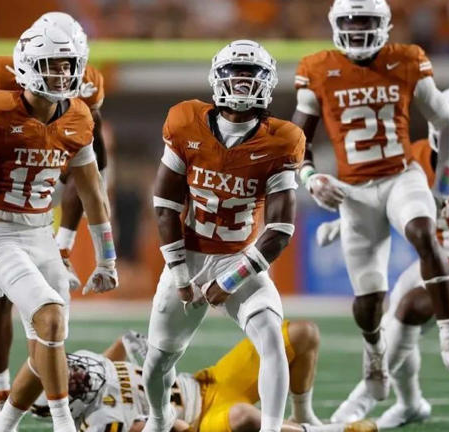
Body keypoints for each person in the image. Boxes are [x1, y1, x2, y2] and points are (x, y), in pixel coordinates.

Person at [291, 0, 449, 401]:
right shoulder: (318, 68)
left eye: (366, 21)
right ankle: (374, 353)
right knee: (369, 300)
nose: (358, 29)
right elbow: (295, 141)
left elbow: (446, 122)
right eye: (351, 21)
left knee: (423, 233)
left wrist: (443, 189)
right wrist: (310, 178)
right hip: (354, 192)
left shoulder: (406, 60)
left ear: (385, 25)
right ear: (336, 24)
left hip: (400, 177)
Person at [0, 23, 118, 432]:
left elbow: (93, 193)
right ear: (28, 65)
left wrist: (107, 259)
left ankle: (1, 427)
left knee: (47, 347)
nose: (62, 73)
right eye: (53, 64)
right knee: (49, 317)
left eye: (68, 64)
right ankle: (63, 425)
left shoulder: (78, 116)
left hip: (42, 235)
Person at [326, 86, 449, 428]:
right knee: (391, 326)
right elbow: (384, 198)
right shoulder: (415, 155)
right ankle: (411, 404)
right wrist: (347, 220)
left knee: (412, 307)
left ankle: (358, 403)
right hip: (433, 263)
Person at [143, 40, 305, 432]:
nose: (243, 82)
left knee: (272, 338)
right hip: (190, 254)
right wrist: (181, 276)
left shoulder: (282, 140)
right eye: (235, 73)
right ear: (218, 78)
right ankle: (159, 421)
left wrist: (230, 281)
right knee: (158, 361)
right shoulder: (186, 122)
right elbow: (165, 204)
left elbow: (280, 230)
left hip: (240, 257)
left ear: (268, 83)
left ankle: (271, 429)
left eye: (252, 75)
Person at [32, 321, 377, 432]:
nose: (76, 374)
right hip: (201, 420)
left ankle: (302, 415)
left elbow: (114, 353)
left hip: (206, 382)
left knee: (302, 334)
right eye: (70, 381)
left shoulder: (88, 366)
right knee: (243, 418)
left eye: (69, 371)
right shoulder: (99, 423)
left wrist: (128, 342)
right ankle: (329, 431)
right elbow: (173, 428)